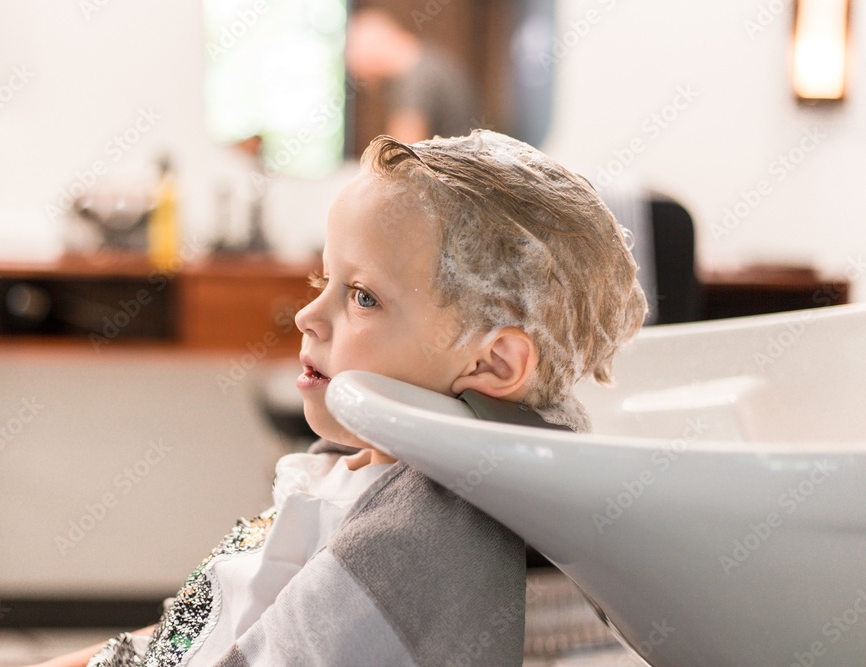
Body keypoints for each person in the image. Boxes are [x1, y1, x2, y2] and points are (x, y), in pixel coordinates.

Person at [33, 129, 647, 667]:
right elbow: (194, 630)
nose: (306, 315)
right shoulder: (346, 474)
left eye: (362, 296)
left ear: (493, 363)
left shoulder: (419, 541)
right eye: (321, 279)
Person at [345, 8, 477, 143]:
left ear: (371, 52)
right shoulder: (427, 62)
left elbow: (400, 151)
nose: (361, 78)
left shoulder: (417, 81)